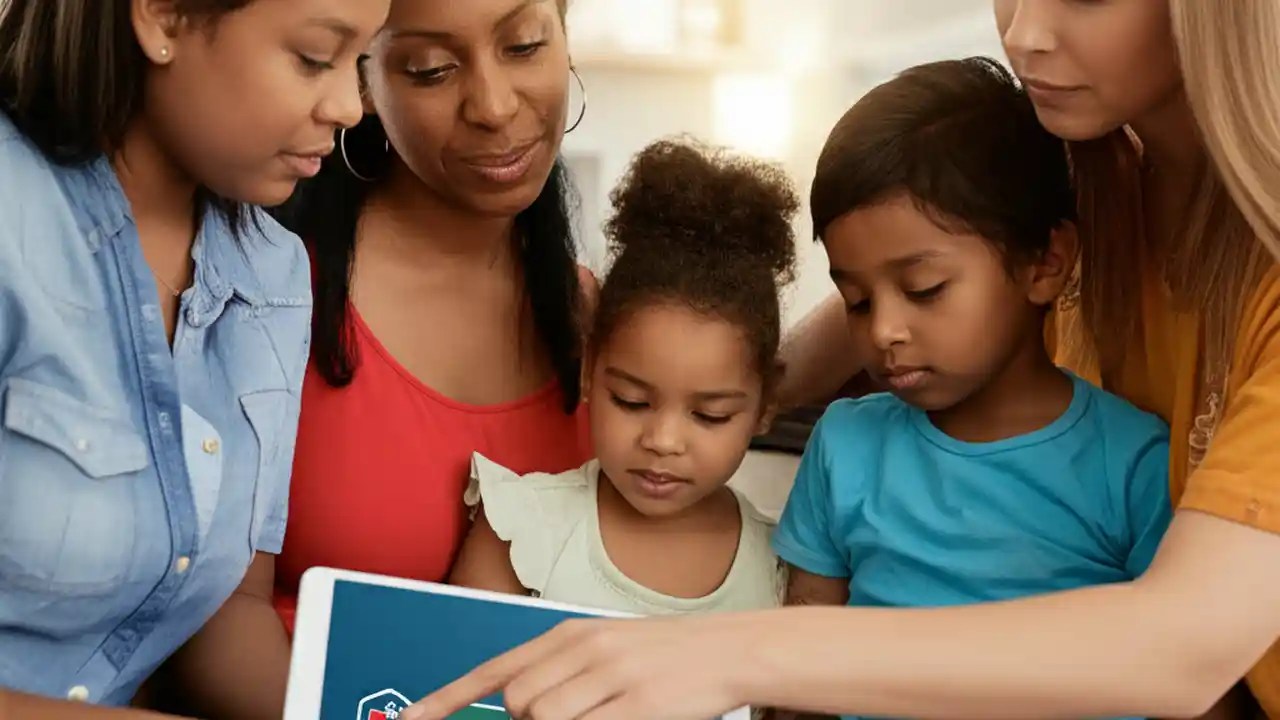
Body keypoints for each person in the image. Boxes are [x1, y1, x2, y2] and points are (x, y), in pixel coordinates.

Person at [401, 1, 1280, 719]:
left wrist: (731, 656)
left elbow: (1184, 652)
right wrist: (706, 374)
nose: (1022, 34)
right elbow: (832, 332)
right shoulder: (1080, 190)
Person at [0, 0, 386, 718]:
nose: (349, 106)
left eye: (358, 62)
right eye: (313, 57)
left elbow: (223, 608)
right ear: (164, 17)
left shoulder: (274, 275)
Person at [772, 57, 1170, 720]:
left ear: (1045, 263)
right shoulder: (845, 446)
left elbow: (1187, 674)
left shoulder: (1130, 463)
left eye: (924, 289)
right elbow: (798, 671)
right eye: (857, 301)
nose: (886, 330)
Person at [271, 0, 594, 636]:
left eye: (525, 45)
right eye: (431, 69)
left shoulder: (594, 318)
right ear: (360, 78)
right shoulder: (279, 290)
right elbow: (211, 623)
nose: (494, 106)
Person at [451, 139, 793, 615]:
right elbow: (460, 678)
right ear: (589, 369)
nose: (663, 440)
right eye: (632, 401)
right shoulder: (524, 530)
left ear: (766, 403)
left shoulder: (781, 568)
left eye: (710, 415)